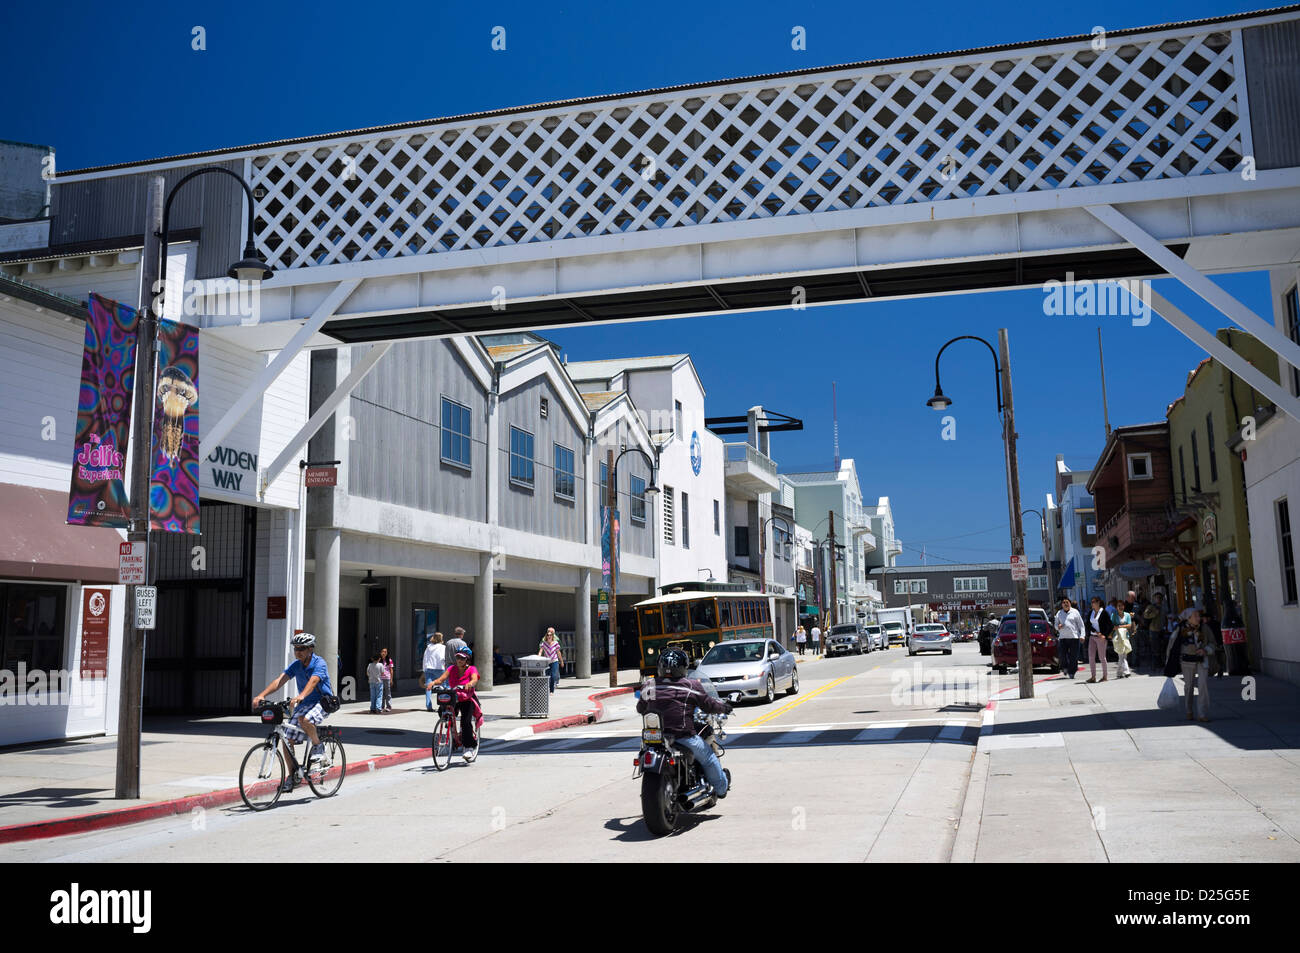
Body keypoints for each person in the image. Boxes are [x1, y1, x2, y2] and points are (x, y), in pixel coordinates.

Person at [635, 648, 733, 798]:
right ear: (683, 667)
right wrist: (725, 707)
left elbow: (640, 708)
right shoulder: (691, 685)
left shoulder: (649, 685)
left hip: (655, 738)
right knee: (708, 758)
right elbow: (709, 705)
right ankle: (721, 789)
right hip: (682, 735)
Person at [253, 632, 334, 790]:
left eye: (302, 648)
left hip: (323, 702)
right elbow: (280, 680)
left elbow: (313, 681)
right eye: (296, 648)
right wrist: (261, 695)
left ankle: (318, 746)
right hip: (305, 704)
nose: (298, 652)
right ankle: (293, 777)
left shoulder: (320, 663)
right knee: (287, 739)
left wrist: (300, 696)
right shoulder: (296, 665)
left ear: (311, 649)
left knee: (306, 719)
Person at [429, 647, 482, 759]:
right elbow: (441, 679)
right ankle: (452, 736)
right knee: (443, 711)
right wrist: (433, 683)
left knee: (465, 721)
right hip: (455, 696)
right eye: (458, 657)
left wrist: (470, 684)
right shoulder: (451, 668)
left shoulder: (472, 669)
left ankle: (469, 747)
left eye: (462, 658)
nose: (459, 660)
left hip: (467, 698)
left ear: (467, 659)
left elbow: (474, 679)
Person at [1170, 609, 1215, 722]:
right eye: (1195, 616)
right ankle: (1189, 710)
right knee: (1189, 687)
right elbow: (1172, 644)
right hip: (1187, 661)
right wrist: (1170, 661)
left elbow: (1213, 643)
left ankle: (1202, 713)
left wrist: (1205, 650)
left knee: (1203, 685)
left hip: (1202, 660)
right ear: (1188, 618)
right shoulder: (1181, 629)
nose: (1198, 618)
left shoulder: (1205, 628)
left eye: (1198, 615)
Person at [1054, 597, 1084, 678]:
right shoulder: (1059, 613)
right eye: (1064, 602)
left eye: (1067, 602)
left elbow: (1081, 625)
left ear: (1070, 603)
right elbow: (1055, 625)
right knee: (1062, 655)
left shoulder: (1075, 612)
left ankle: (1072, 672)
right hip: (1063, 638)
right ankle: (1065, 667)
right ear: (1062, 605)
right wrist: (1058, 627)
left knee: (1073, 656)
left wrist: (1082, 635)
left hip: (1074, 637)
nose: (1065, 604)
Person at [1086, 597, 1111, 683]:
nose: (1092, 603)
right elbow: (1088, 624)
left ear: (1098, 603)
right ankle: (1093, 677)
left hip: (1101, 638)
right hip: (1092, 637)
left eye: (1094, 602)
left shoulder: (1104, 613)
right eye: (1091, 602)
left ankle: (1105, 676)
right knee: (1091, 657)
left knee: (1102, 657)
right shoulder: (1091, 612)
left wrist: (1105, 635)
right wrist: (1095, 632)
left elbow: (1110, 625)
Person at [423, 632, 446, 711]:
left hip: (428, 668)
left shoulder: (428, 647)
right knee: (444, 686)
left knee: (428, 687)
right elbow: (442, 658)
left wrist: (424, 669)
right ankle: (444, 704)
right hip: (439, 668)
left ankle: (428, 706)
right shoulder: (443, 647)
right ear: (441, 639)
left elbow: (425, 658)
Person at [1111, 598, 1133, 678]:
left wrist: (1120, 626)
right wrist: (1117, 627)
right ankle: (1127, 671)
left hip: (1125, 636)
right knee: (1121, 654)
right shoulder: (1114, 615)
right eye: (1119, 606)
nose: (1120, 607)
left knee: (1123, 654)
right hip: (1117, 637)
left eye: (1122, 606)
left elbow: (1129, 625)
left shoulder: (1127, 615)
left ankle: (1119, 673)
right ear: (1116, 607)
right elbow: (1112, 626)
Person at [539, 627, 564, 693]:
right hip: (547, 662)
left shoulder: (556, 641)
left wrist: (561, 661)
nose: (549, 636)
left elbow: (558, 652)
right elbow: (540, 651)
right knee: (547, 676)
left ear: (553, 635)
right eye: (548, 634)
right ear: (546, 635)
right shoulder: (543, 642)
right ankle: (547, 688)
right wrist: (538, 658)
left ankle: (551, 690)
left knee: (553, 675)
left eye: (551, 634)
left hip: (554, 661)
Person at [378, 647, 394, 711]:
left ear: (387, 653)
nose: (384, 653)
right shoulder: (379, 660)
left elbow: (391, 670)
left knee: (388, 693)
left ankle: (389, 706)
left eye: (385, 652)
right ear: (381, 653)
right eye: (382, 651)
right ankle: (381, 706)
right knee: (380, 693)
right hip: (380, 679)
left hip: (387, 678)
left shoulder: (389, 660)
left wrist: (391, 679)